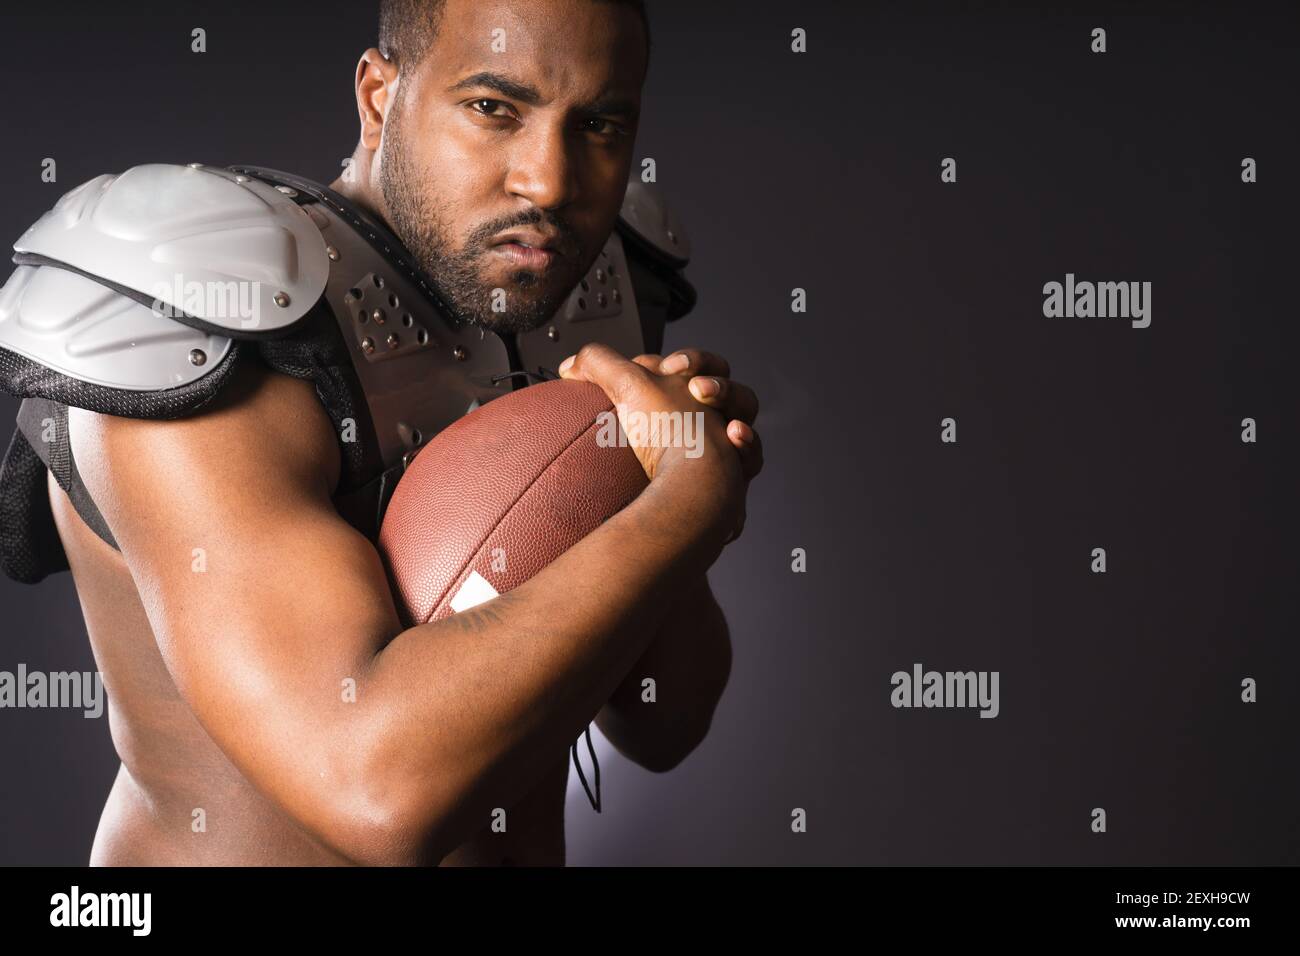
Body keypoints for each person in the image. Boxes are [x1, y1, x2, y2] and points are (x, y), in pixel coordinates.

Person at [19, 0, 763, 865]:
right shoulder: (208, 316)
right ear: (380, 96)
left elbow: (665, 723)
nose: (549, 182)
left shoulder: (584, 291)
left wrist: (674, 473)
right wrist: (687, 508)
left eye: (599, 124)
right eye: (495, 108)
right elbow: (374, 792)